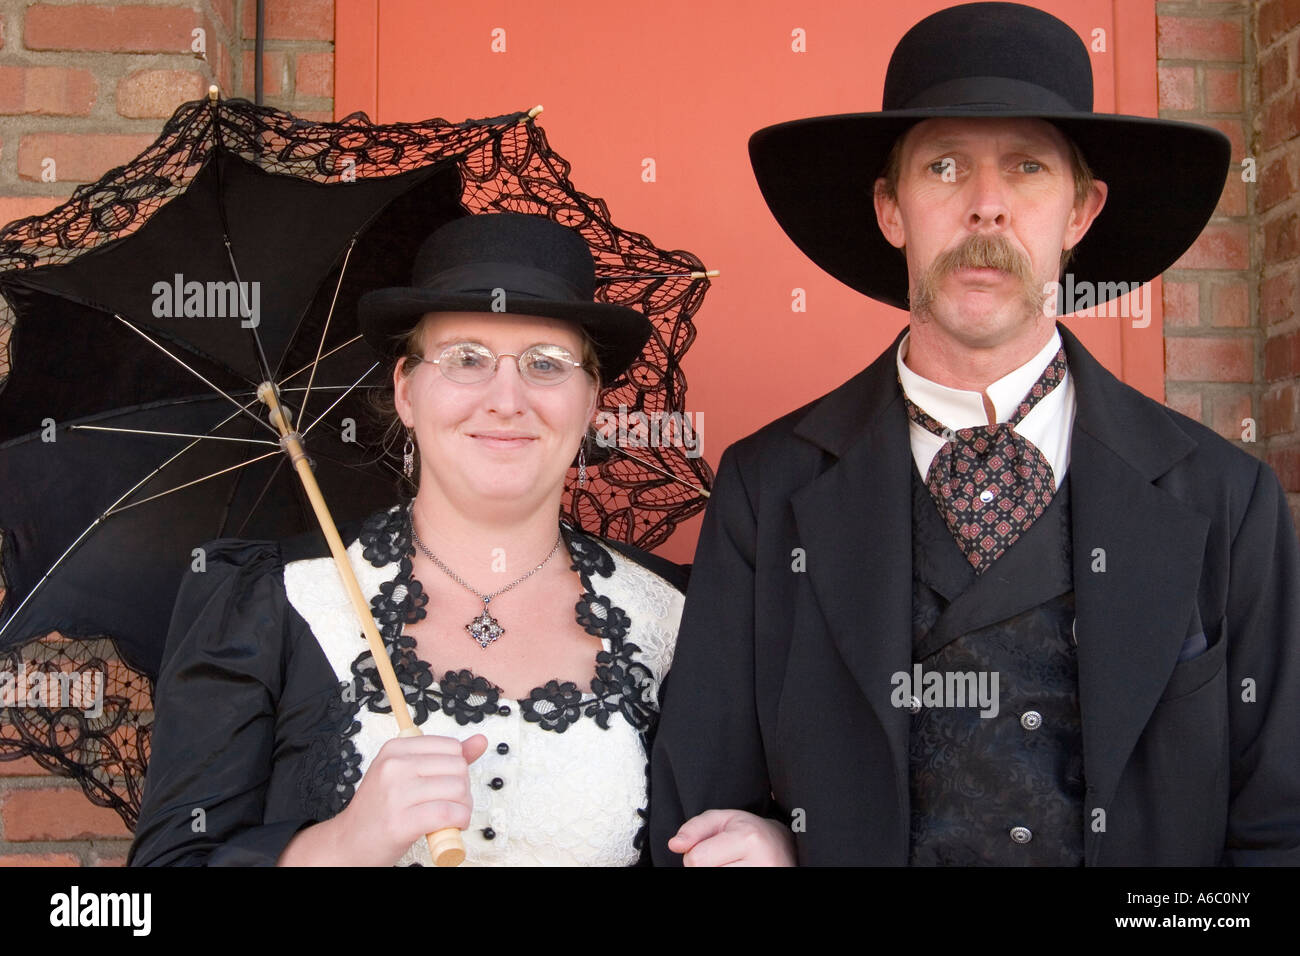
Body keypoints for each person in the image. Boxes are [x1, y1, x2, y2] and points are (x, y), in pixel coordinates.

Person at [650, 1, 1300, 865]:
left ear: (1080, 212)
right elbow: (703, 806)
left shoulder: (1227, 497)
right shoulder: (767, 491)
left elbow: (1277, 831)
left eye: (1027, 167)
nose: (986, 207)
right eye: (945, 166)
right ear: (892, 211)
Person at [129, 212, 688, 866]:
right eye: (466, 359)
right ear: (405, 391)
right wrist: (342, 845)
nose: (507, 399)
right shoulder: (267, 604)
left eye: (547, 363)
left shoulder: (673, 614)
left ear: (591, 400)